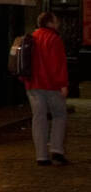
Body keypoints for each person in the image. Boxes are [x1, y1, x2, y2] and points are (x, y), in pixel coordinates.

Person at [25, 11, 69, 166]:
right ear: (50, 23)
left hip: (33, 85)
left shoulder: (32, 38)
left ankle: (41, 155)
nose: (58, 24)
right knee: (59, 115)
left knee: (38, 119)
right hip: (50, 85)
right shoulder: (54, 39)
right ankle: (56, 150)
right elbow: (58, 64)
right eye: (56, 21)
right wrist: (62, 84)